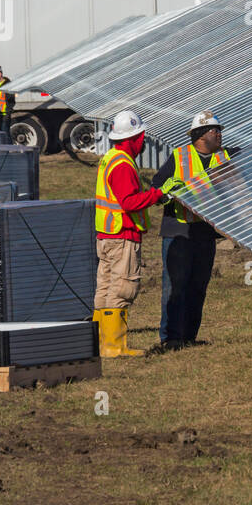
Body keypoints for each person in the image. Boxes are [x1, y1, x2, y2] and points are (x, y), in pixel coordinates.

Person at [151, 111, 233, 350]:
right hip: (178, 230)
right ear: (199, 135)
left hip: (204, 231)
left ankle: (189, 336)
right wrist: (167, 190)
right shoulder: (179, 157)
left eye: (220, 130)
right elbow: (156, 187)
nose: (219, 134)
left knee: (199, 284)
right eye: (214, 130)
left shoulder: (225, 156)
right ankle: (171, 338)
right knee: (175, 285)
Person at [93, 110, 166, 358]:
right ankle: (115, 347)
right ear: (134, 137)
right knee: (122, 288)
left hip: (106, 236)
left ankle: (102, 345)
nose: (144, 142)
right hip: (122, 235)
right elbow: (129, 202)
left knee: (104, 289)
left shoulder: (110, 158)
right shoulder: (123, 164)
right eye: (142, 137)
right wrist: (158, 194)